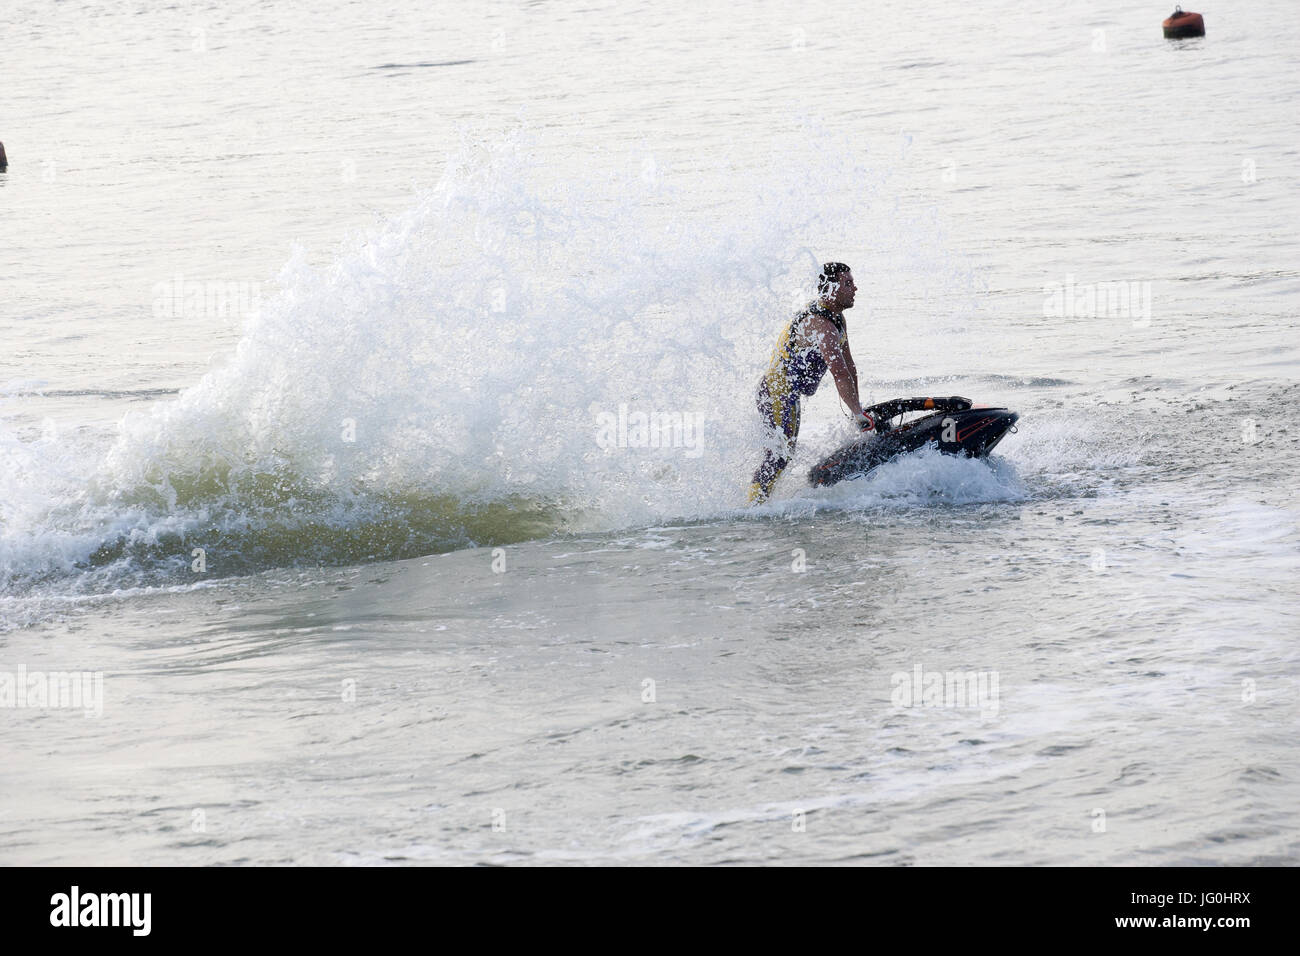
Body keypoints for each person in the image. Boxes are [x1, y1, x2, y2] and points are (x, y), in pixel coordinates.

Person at [747, 262, 874, 504]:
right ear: (830, 289)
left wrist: (857, 410)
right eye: (848, 283)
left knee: (783, 455)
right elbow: (839, 373)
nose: (855, 288)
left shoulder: (837, 319)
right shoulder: (821, 325)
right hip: (776, 393)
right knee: (778, 456)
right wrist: (857, 413)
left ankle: (759, 501)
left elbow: (850, 367)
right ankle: (753, 507)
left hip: (787, 394)